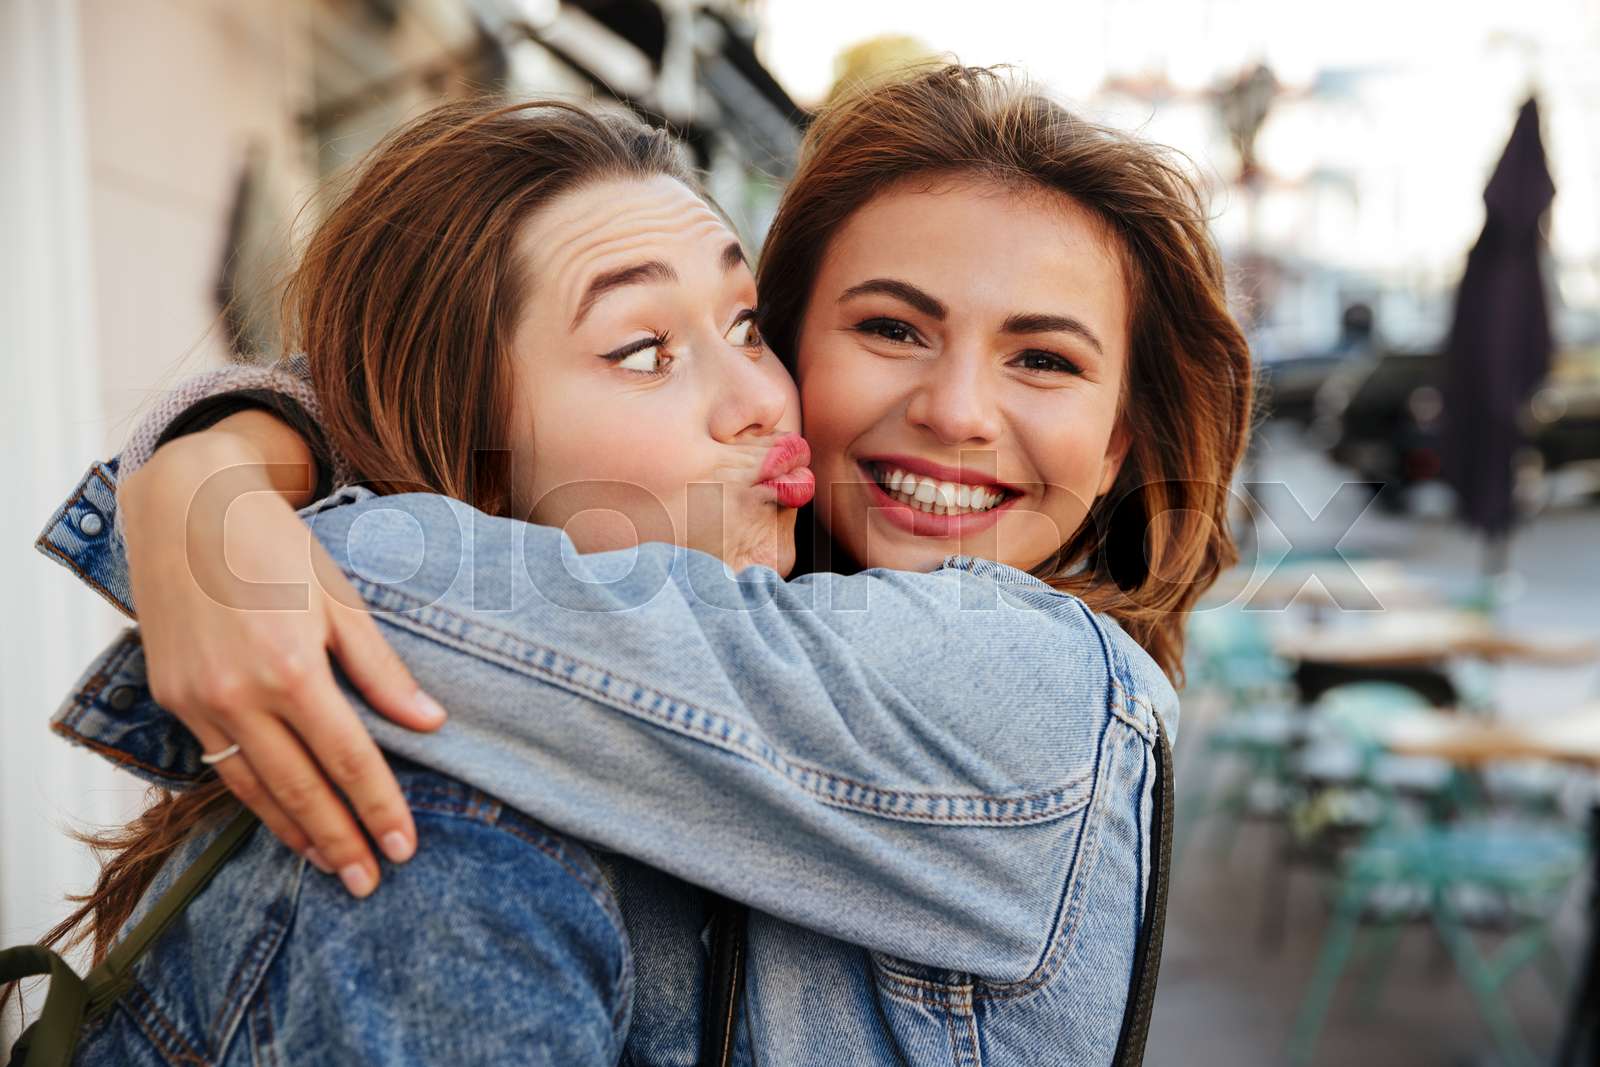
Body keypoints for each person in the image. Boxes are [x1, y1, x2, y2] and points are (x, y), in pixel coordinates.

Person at [31, 65, 1251, 1065]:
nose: (956, 411)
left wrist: (207, 493)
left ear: (1123, 436)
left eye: (1044, 359)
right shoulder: (451, 847)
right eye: (886, 328)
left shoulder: (1031, 684)